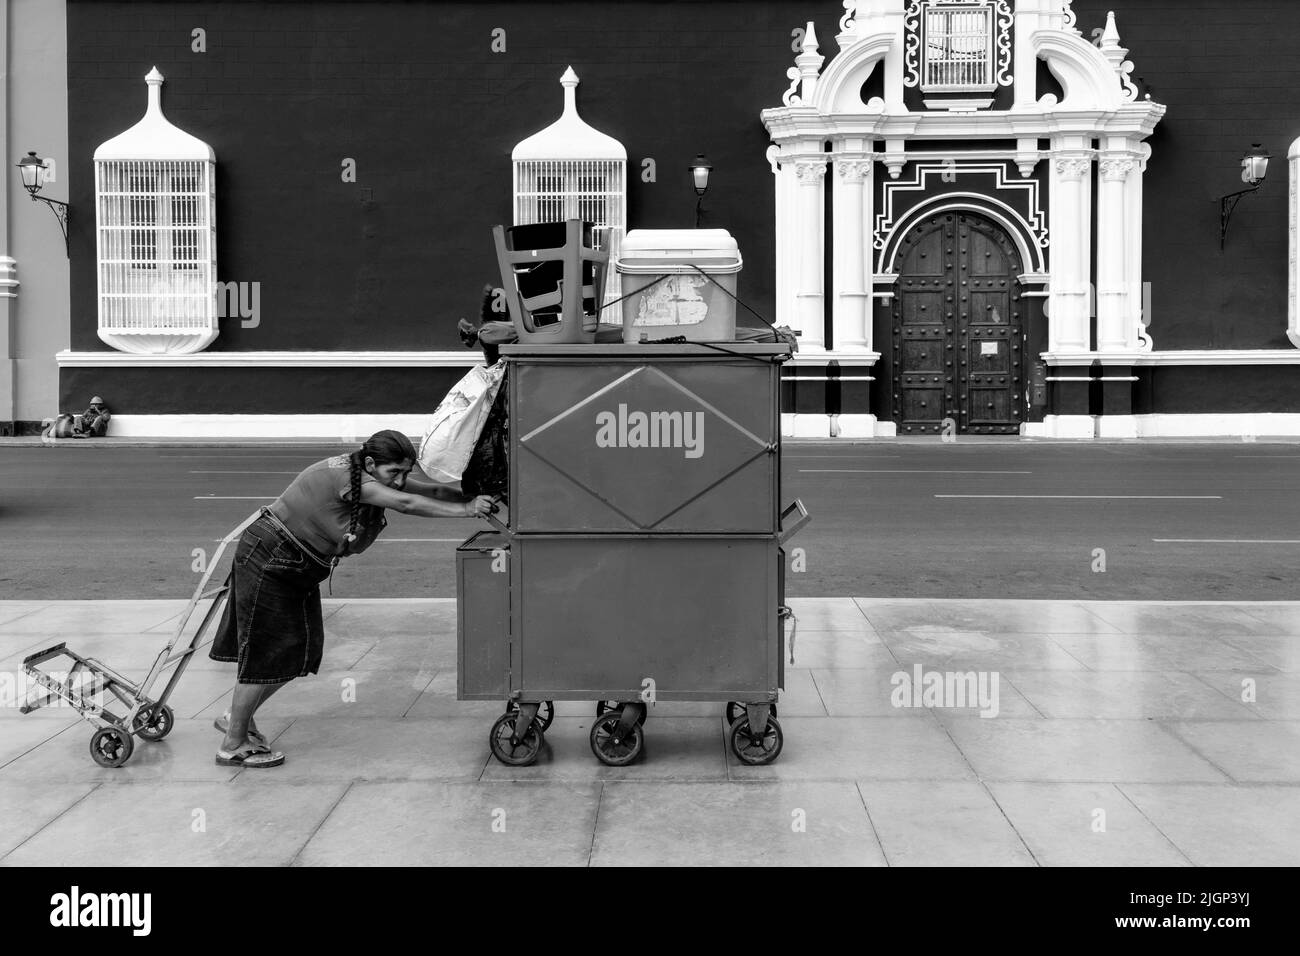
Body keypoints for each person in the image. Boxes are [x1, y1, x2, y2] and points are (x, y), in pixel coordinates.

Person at [208, 429, 495, 768]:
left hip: (295, 565)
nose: (401, 481)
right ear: (371, 463)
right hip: (271, 558)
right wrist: (465, 511)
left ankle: (236, 719)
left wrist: (475, 495)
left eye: (406, 472)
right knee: (269, 653)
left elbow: (426, 490)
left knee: (296, 653)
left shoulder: (371, 475)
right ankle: (233, 743)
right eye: (395, 473)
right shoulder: (347, 477)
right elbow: (407, 502)